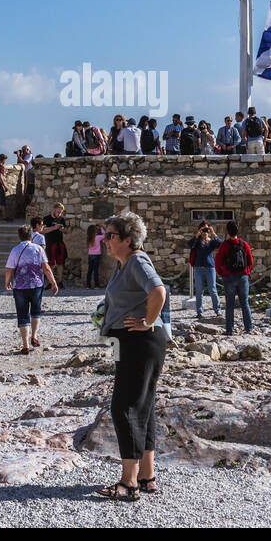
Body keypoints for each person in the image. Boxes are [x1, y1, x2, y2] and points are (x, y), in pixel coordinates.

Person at [95, 211, 168, 502]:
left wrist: (148, 321)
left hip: (141, 340)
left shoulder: (137, 259)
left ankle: (128, 484)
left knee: (123, 407)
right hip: (134, 341)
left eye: (110, 235)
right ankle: (146, 476)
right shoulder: (123, 263)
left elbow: (159, 291)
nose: (105, 241)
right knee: (143, 407)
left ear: (128, 239)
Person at [4, 225, 59, 354]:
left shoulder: (15, 250)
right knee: (36, 311)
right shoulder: (38, 249)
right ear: (31, 236)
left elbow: (9, 269)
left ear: (19, 236)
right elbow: (46, 267)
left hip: (20, 286)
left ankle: (26, 345)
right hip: (36, 285)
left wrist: (7, 282)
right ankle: (34, 336)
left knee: (22, 314)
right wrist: (53, 283)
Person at [215, 221, 254, 335]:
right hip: (242, 277)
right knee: (245, 303)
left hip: (229, 277)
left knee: (230, 304)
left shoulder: (224, 245)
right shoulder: (244, 244)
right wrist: (246, 272)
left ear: (227, 231)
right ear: (238, 231)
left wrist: (221, 273)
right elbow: (250, 261)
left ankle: (229, 330)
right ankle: (249, 328)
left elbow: (218, 261)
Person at [187, 222, 222, 318]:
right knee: (199, 290)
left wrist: (213, 233)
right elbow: (189, 244)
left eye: (207, 230)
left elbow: (220, 244)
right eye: (203, 230)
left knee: (213, 289)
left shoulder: (211, 242)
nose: (205, 232)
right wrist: (197, 234)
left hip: (210, 268)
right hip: (198, 268)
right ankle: (199, 311)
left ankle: (217, 310)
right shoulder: (197, 242)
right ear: (200, 230)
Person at [41, 203, 67, 290]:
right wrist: (54, 228)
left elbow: (66, 230)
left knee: (60, 263)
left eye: (61, 212)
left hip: (60, 243)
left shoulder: (61, 219)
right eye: (58, 211)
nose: (59, 214)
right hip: (50, 243)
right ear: (54, 209)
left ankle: (60, 281)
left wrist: (63, 230)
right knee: (50, 264)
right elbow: (43, 231)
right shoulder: (47, 219)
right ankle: (50, 282)